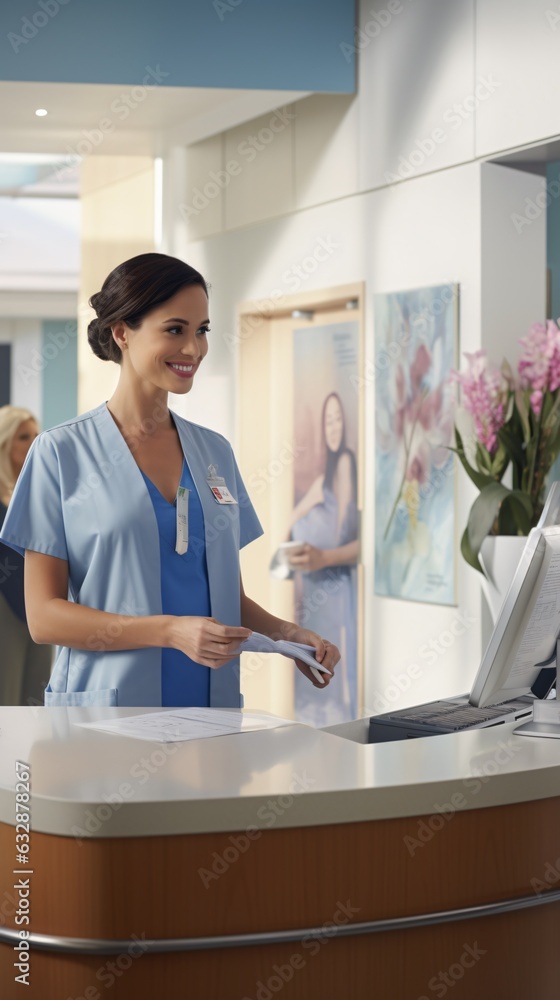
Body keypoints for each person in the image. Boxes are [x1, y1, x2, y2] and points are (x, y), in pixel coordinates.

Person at [0, 253, 340, 708]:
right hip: (108, 708)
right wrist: (169, 631)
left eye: (202, 331)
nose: (194, 349)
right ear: (122, 332)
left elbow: (226, 598)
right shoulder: (60, 453)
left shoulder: (214, 452)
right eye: (175, 329)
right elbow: (44, 618)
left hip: (207, 704)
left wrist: (289, 635)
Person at [287, 392, 359, 726]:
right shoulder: (325, 475)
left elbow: (342, 530)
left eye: (338, 420)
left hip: (333, 583)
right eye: (327, 420)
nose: (333, 427)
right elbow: (290, 520)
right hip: (317, 586)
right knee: (319, 658)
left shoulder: (345, 461)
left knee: (329, 662)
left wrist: (320, 556)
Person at [0, 406, 53, 705]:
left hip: (39, 604)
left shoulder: (39, 494)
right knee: (5, 699)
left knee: (37, 697)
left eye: (36, 434)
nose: (34, 442)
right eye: (24, 436)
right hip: (4, 610)